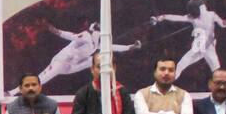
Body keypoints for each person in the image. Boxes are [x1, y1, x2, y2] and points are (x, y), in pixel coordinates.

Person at [8, 21, 140, 96]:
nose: (100, 32)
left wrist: (130, 47)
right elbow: (71, 36)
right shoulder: (86, 35)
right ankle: (13, 91)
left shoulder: (97, 44)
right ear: (94, 30)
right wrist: (57, 31)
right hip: (61, 62)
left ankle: (100, 83)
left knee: (92, 60)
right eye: (98, 29)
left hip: (71, 66)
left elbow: (113, 47)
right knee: (43, 78)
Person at [150, 0, 226, 83]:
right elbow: (177, 18)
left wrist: (224, 23)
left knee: (215, 70)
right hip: (199, 46)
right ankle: (167, 82)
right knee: (183, 64)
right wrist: (163, 17)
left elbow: (222, 24)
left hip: (208, 46)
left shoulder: (211, 15)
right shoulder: (193, 17)